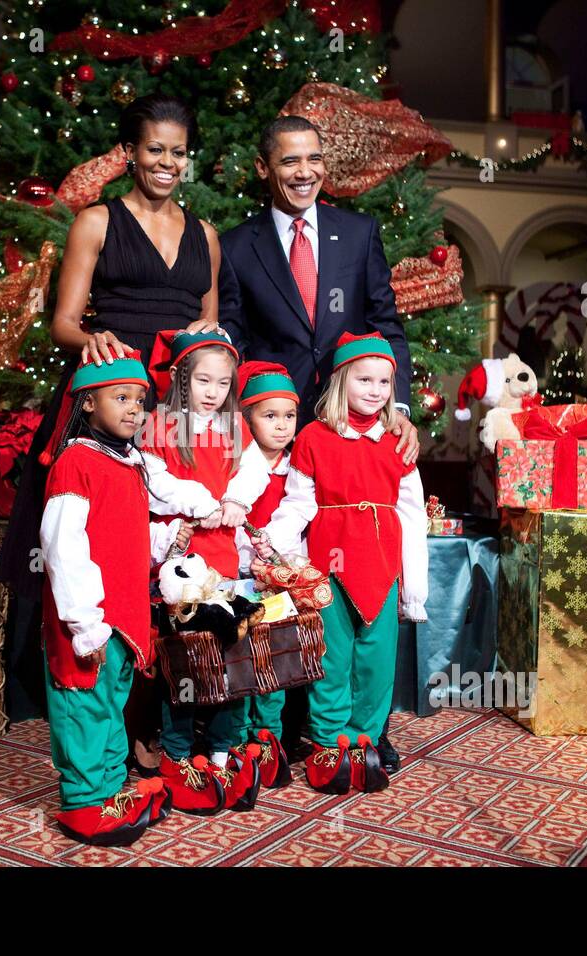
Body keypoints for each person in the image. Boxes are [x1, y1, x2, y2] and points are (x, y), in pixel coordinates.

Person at [0, 93, 224, 773]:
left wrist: (210, 347)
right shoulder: (96, 221)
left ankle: (161, 722)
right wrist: (91, 339)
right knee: (108, 555)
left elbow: (209, 328)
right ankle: (107, 724)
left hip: (178, 411)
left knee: (174, 558)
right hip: (112, 402)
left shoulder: (206, 236)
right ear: (129, 153)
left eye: (178, 151)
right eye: (154, 149)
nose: (167, 162)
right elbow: (63, 323)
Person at [217, 114, 420, 771]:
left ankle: (360, 729)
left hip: (349, 426)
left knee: (351, 581)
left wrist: (396, 406)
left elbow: (385, 322)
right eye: (289, 161)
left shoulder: (357, 232)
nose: (303, 172)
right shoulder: (238, 245)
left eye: (313, 159)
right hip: (274, 434)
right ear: (264, 168)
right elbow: (233, 336)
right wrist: (249, 416)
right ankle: (277, 729)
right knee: (280, 571)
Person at [256, 333, 429, 795]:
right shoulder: (313, 438)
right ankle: (328, 741)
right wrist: (274, 547)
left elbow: (413, 514)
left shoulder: (397, 442)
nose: (375, 390)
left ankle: (364, 738)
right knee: (331, 656)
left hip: (382, 565)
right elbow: (298, 503)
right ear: (340, 380)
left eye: (384, 382)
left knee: (376, 659)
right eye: (364, 379)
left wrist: (414, 586)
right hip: (328, 566)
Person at [37, 350, 187, 846]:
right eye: (121, 398)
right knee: (84, 706)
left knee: (111, 705)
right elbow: (63, 548)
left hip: (123, 614)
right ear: (87, 403)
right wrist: (84, 623)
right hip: (91, 618)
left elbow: (123, 532)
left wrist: (165, 540)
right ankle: (83, 803)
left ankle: (107, 791)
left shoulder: (129, 463)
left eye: (139, 400)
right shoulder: (75, 462)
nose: (134, 409)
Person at [142, 329, 271, 814]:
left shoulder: (235, 427)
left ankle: (222, 749)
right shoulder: (160, 425)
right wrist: (202, 502)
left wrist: (235, 500)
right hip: (184, 563)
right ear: (182, 379)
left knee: (230, 663)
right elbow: (155, 480)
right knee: (186, 663)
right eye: (203, 381)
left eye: (223, 382)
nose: (213, 391)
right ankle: (177, 754)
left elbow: (255, 471)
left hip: (226, 560)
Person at [232, 360, 303, 790]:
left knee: (275, 659)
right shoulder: (238, 465)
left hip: (278, 578)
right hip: (241, 576)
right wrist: (248, 557)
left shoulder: (297, 467)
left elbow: (301, 517)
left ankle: (269, 736)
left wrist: (278, 559)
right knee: (242, 659)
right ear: (247, 418)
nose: (281, 425)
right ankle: (240, 741)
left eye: (289, 415)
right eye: (269, 415)